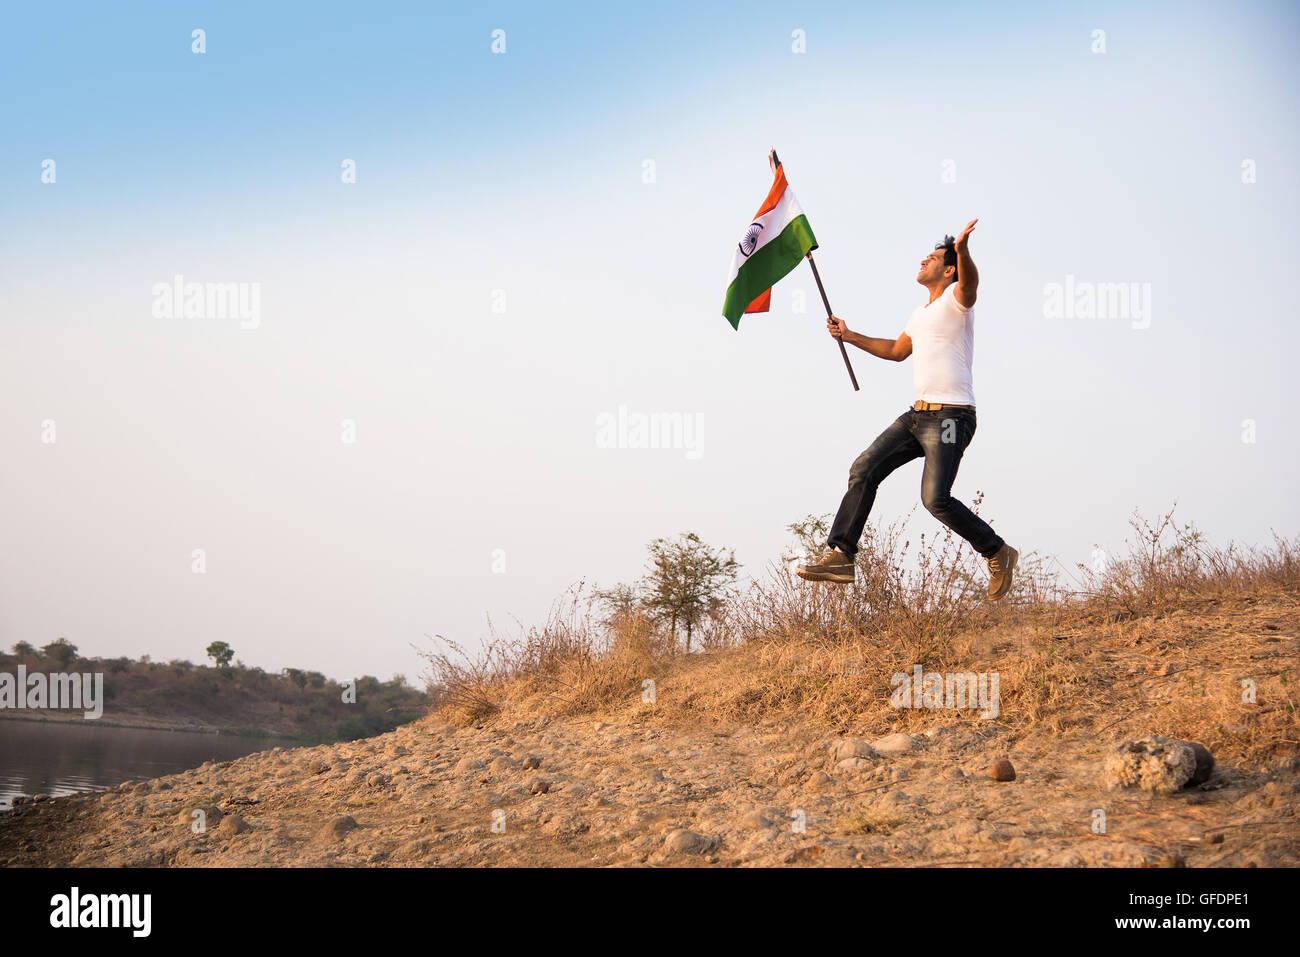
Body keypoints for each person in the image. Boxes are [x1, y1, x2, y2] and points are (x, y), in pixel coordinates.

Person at [795, 219, 1018, 599]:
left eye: (931, 258)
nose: (922, 261)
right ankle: (841, 555)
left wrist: (962, 249)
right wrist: (849, 335)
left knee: (935, 499)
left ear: (949, 269)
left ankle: (997, 551)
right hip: (917, 416)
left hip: (952, 417)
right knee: (863, 468)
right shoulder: (919, 314)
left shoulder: (957, 301)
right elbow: (897, 352)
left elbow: (971, 284)